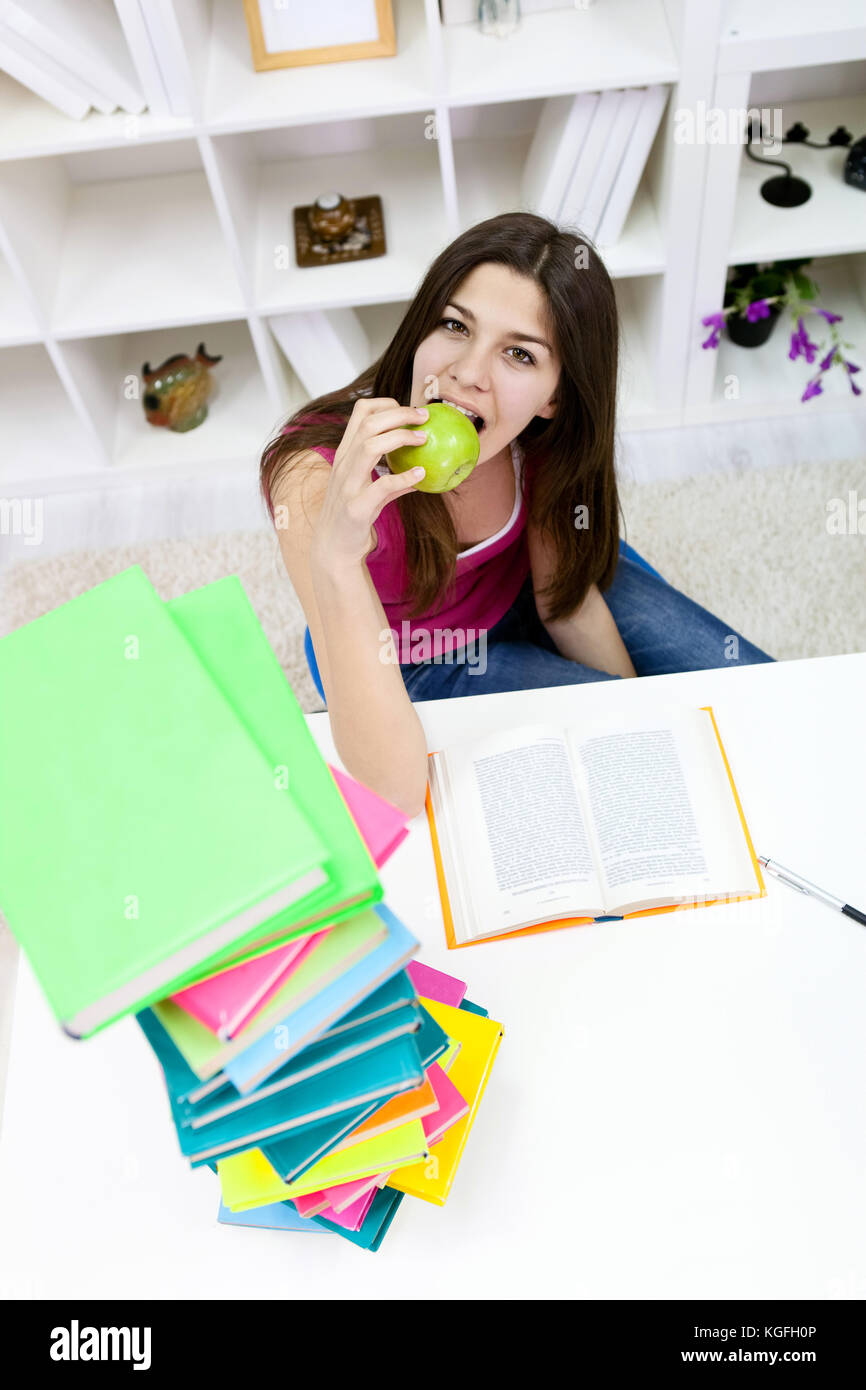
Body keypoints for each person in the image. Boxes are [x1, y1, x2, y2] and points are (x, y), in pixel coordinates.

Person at [260, 212, 772, 818]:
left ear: (556, 395)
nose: (467, 374)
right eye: (455, 325)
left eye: (519, 355)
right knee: (658, 786)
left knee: (763, 703)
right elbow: (392, 792)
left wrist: (639, 718)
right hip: (417, 656)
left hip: (524, 582)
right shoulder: (315, 476)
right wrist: (339, 555)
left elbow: (566, 603)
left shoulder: (533, 436)